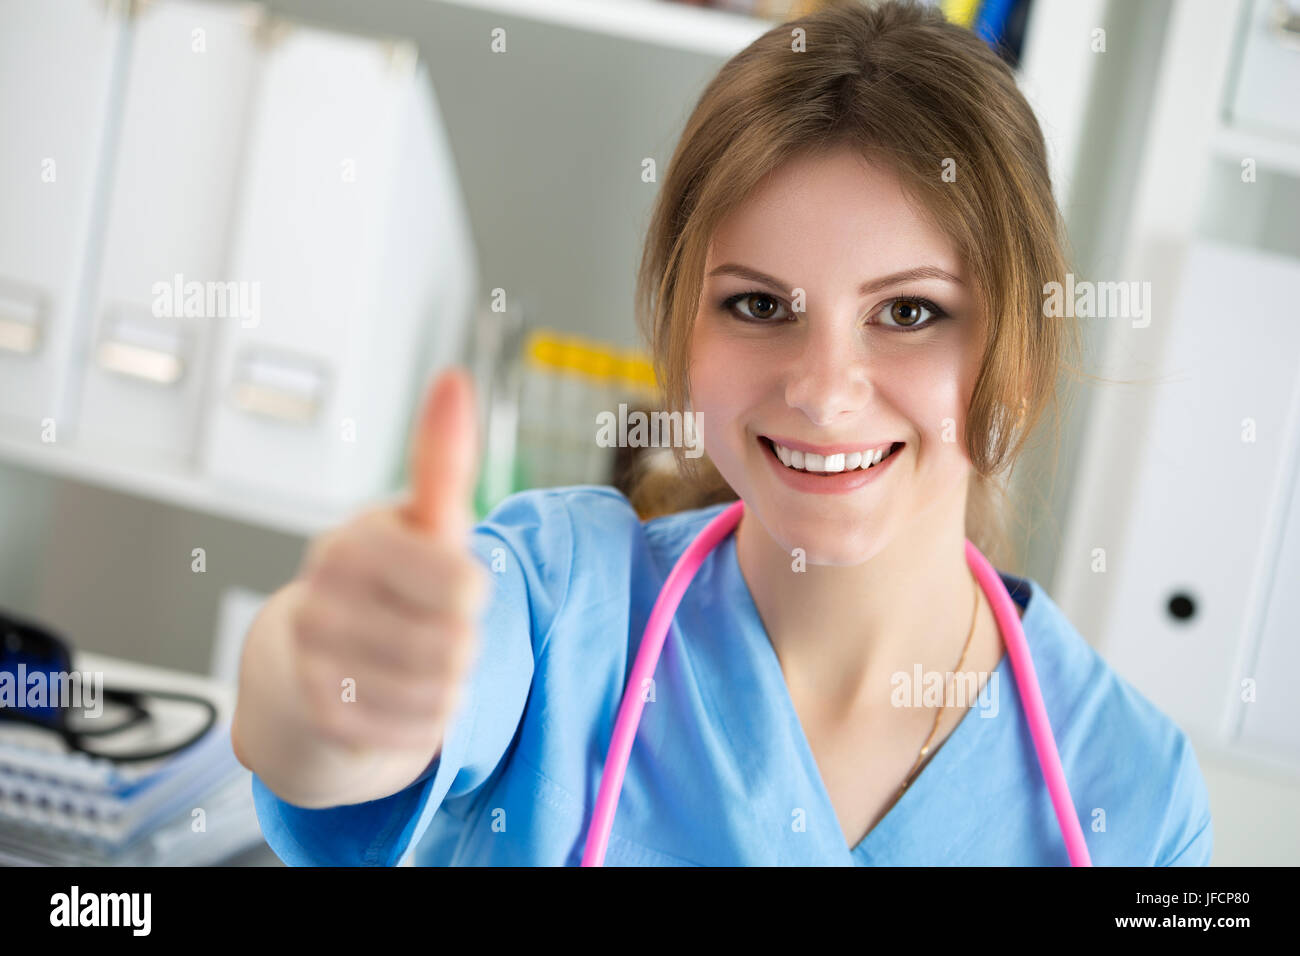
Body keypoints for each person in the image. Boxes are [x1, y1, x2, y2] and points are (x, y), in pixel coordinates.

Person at [232, 0, 1213, 866]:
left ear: (1022, 346)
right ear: (680, 327)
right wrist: (327, 674)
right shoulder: (559, 602)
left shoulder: (1136, 793)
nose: (824, 391)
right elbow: (337, 733)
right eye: (756, 304)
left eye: (909, 312)